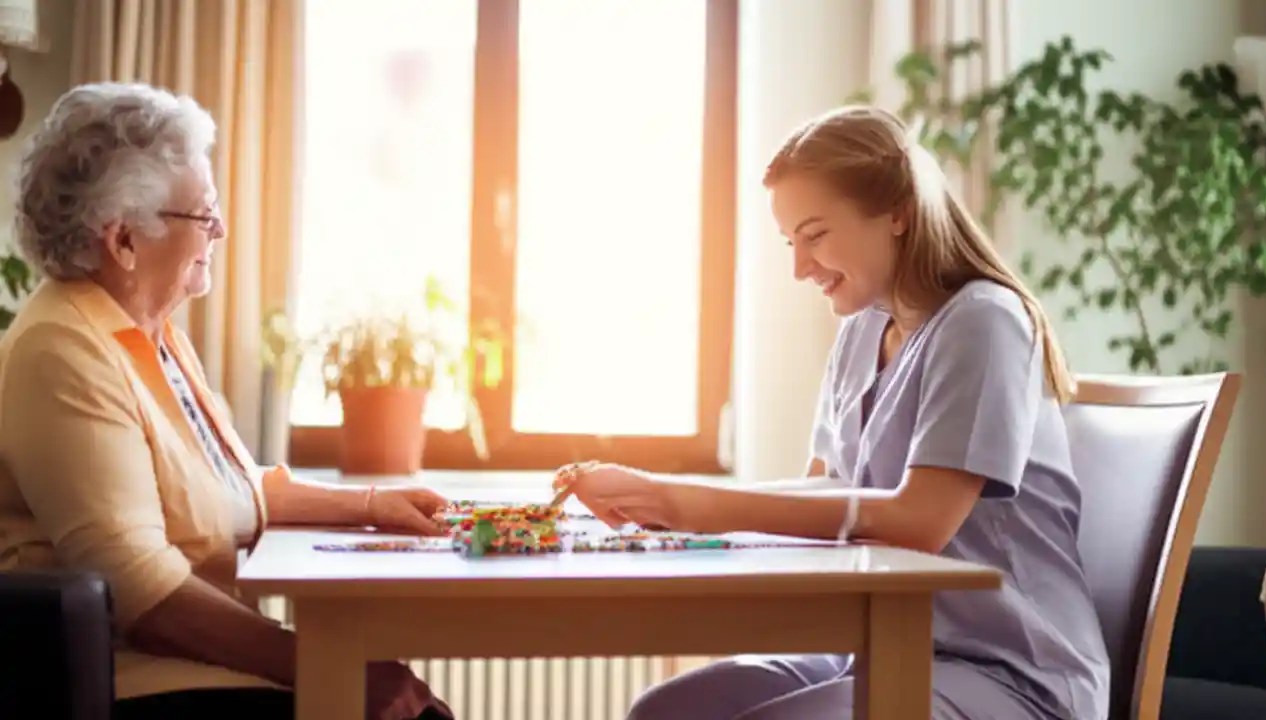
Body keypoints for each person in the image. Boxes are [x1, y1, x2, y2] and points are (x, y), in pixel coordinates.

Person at [555, 106, 1111, 720]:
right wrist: (661, 512)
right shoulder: (862, 330)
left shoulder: (984, 322)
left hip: (1013, 673)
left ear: (897, 212)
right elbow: (826, 488)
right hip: (883, 648)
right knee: (669, 711)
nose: (799, 266)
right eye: (791, 242)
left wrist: (680, 498)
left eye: (815, 235)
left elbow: (917, 521)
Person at [0, 83, 454, 720]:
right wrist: (322, 665)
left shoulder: (151, 336)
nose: (219, 231)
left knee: (421, 710)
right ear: (123, 240)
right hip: (142, 685)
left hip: (203, 666)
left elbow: (238, 488)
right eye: (203, 215)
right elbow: (140, 591)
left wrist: (374, 505)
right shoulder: (61, 350)